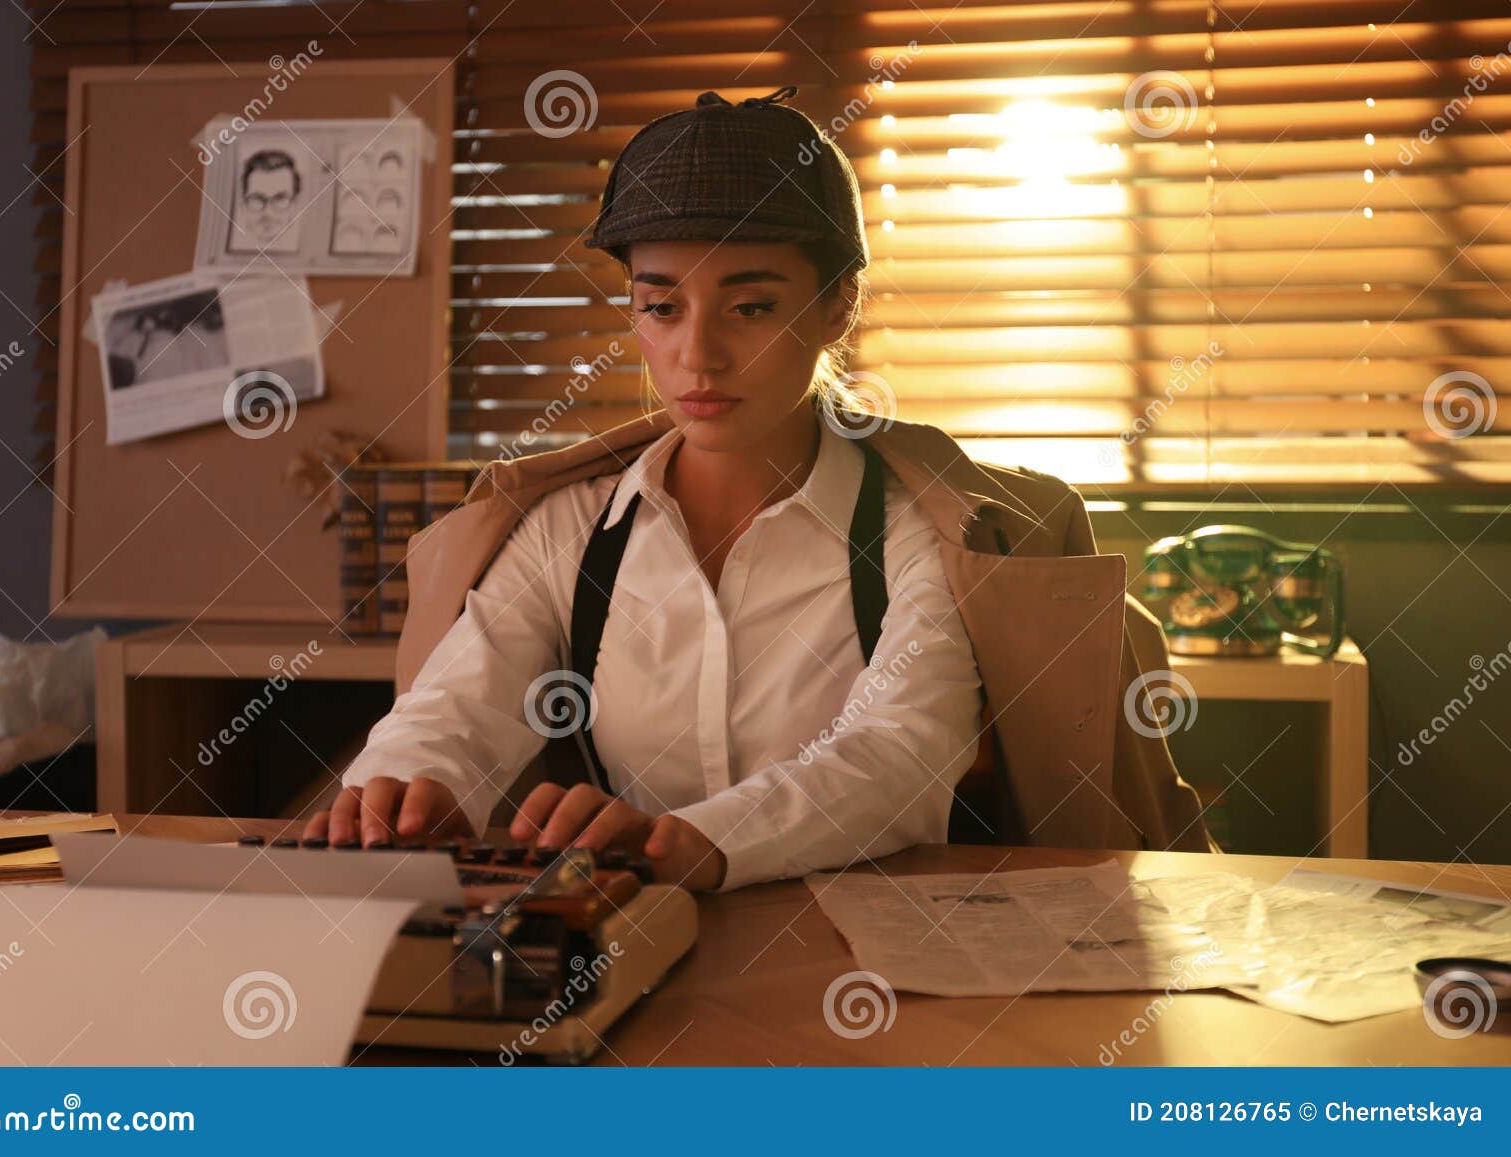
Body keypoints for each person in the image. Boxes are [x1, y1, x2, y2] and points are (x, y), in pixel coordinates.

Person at [305, 86, 1214, 889]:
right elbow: (456, 705)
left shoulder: (920, 531)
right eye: (662, 306)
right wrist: (401, 789)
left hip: (876, 968)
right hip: (641, 946)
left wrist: (694, 842)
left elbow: (901, 750)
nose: (698, 355)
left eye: (750, 306)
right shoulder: (571, 530)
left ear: (835, 308)